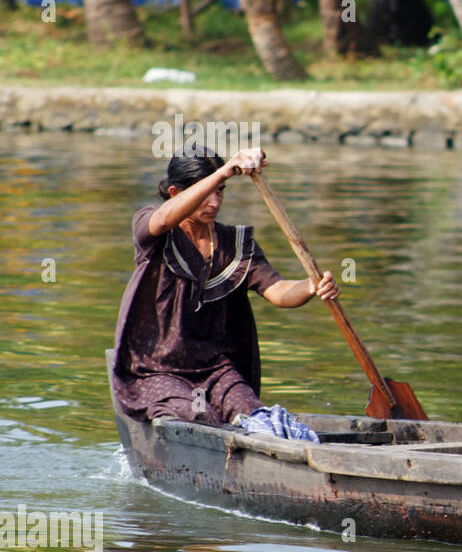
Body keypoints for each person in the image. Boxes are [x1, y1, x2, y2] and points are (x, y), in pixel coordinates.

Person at [110, 145, 340, 426]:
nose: (215, 203)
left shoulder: (235, 245)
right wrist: (223, 172)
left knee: (258, 419)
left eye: (221, 191)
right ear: (175, 193)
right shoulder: (151, 226)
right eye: (207, 193)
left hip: (217, 371)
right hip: (157, 371)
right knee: (200, 415)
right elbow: (163, 219)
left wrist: (311, 286)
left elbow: (278, 291)